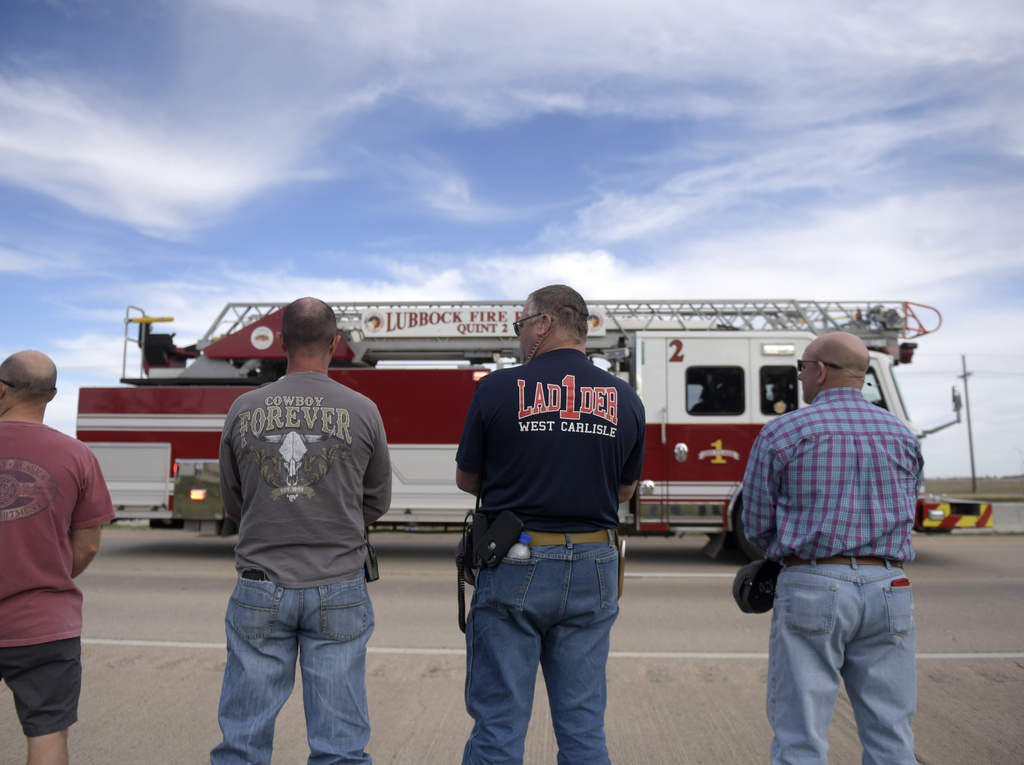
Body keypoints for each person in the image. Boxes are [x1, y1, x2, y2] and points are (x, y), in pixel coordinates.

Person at [455, 284, 646, 765]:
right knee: (583, 728)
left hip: (516, 558)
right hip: (595, 563)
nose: (519, 335)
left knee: (499, 725)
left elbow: (467, 479)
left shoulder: (497, 388)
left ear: (544, 323)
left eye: (521, 325)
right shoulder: (626, 399)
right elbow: (625, 491)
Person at [211, 298, 392, 765]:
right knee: (340, 746)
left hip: (259, 582)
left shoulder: (243, 408)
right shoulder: (364, 410)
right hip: (340, 583)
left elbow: (234, 499)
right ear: (336, 343)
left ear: (281, 342)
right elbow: (377, 500)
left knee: (242, 744)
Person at [741, 331, 923, 765]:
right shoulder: (902, 434)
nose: (801, 376)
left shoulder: (784, 431)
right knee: (891, 731)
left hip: (812, 584)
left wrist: (787, 553)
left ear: (820, 371)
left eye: (801, 368)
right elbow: (907, 509)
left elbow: (757, 523)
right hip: (890, 585)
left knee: (800, 733)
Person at [0, 351, 115, 765]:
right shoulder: (77, 455)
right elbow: (88, 546)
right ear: (52, 395)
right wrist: (46, 572)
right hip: (45, 624)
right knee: (47, 733)